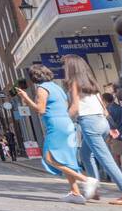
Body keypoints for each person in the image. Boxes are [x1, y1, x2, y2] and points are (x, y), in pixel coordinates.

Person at [16, 64, 92, 203]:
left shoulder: (42, 89)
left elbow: (40, 109)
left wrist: (26, 98)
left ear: (34, 76)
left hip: (55, 125)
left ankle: (86, 180)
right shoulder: (56, 87)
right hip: (67, 123)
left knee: (49, 158)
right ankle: (75, 193)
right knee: (67, 159)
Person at [63, 56, 122, 204]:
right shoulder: (91, 83)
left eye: (65, 65)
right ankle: (94, 191)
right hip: (101, 122)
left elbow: (75, 107)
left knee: (106, 159)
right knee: (85, 154)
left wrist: (62, 120)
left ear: (71, 67)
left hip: (89, 122)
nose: (63, 68)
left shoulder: (74, 82)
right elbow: (104, 108)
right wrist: (110, 128)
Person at [107, 90, 122, 170]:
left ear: (104, 100)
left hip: (117, 136)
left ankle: (119, 174)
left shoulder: (108, 110)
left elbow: (111, 125)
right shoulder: (121, 108)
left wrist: (110, 138)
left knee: (116, 157)